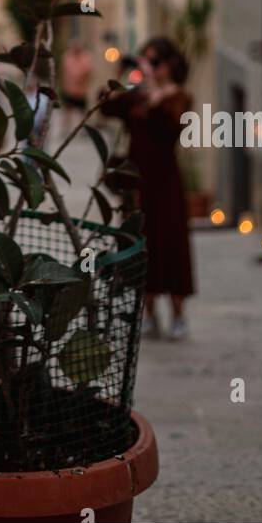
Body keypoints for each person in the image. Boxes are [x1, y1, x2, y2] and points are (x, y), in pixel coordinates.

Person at [101, 35, 195, 340]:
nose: (149, 67)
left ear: (168, 64)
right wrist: (120, 74)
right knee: (141, 244)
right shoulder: (137, 95)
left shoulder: (178, 97)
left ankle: (178, 314)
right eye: (145, 60)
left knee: (171, 244)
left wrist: (154, 95)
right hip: (137, 185)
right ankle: (148, 313)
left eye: (154, 61)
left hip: (166, 183)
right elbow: (106, 106)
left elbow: (172, 130)